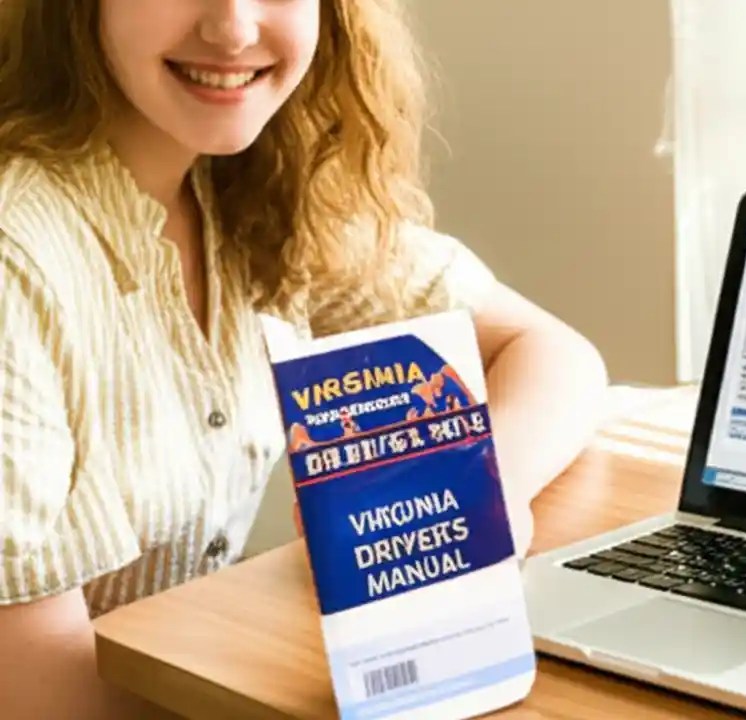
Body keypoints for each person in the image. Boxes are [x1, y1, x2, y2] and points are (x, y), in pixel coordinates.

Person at [0, 1, 609, 718]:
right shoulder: (19, 257)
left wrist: (481, 497)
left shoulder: (252, 190)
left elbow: (553, 354)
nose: (231, 28)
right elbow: (49, 701)